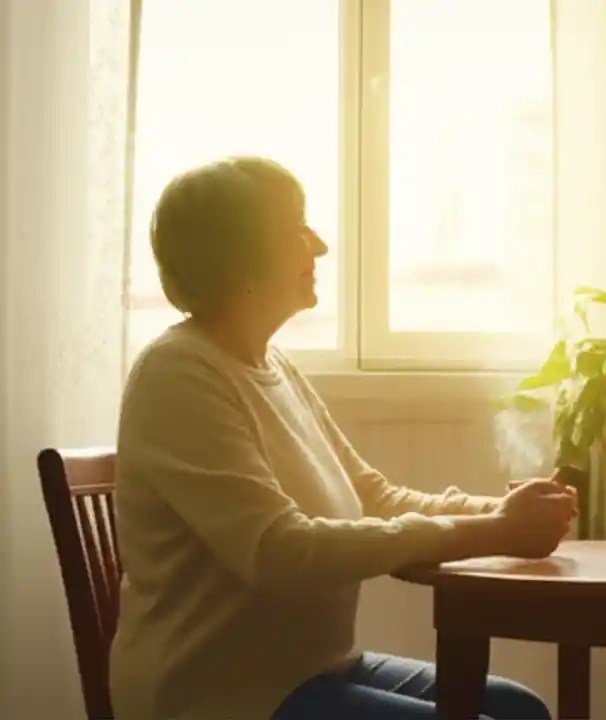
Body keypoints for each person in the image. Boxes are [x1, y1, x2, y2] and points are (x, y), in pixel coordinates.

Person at [110, 157, 572, 720]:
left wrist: (499, 512)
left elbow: (373, 497)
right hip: (222, 694)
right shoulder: (177, 375)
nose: (320, 247)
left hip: (311, 673)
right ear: (239, 259)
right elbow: (276, 551)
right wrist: (491, 531)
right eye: (297, 229)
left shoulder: (274, 366)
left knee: (522, 711)